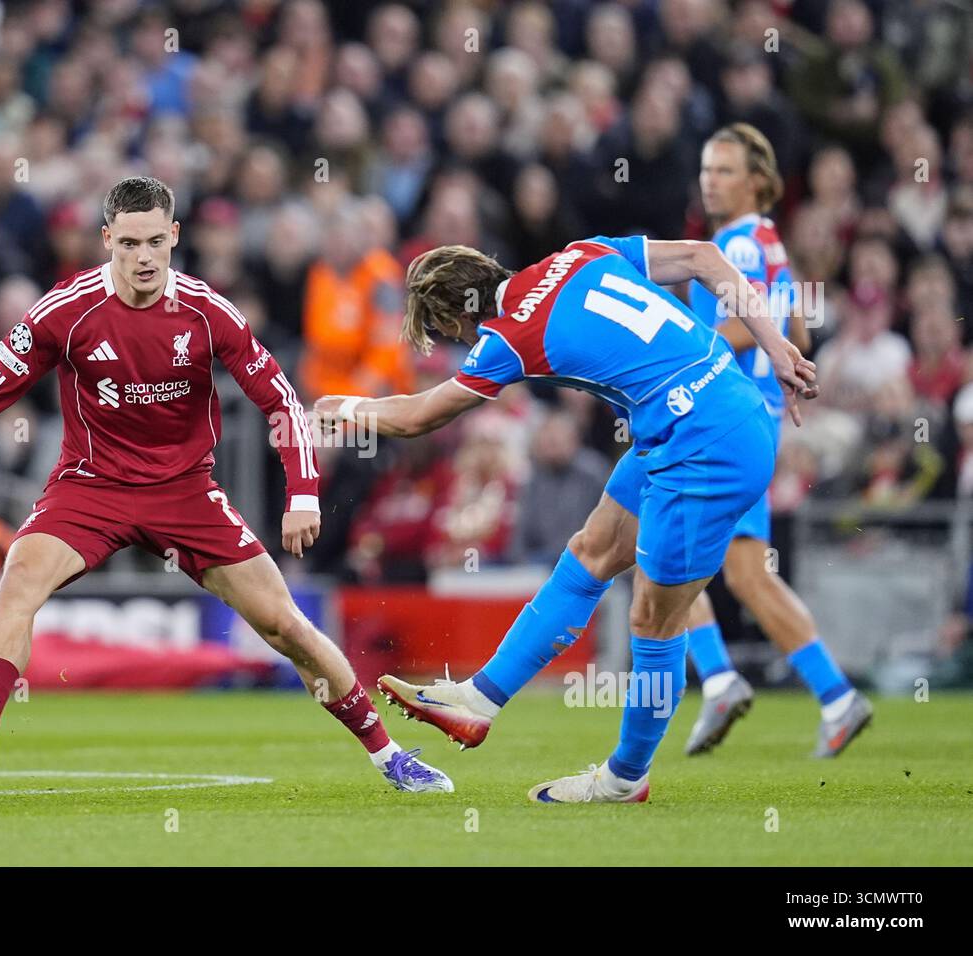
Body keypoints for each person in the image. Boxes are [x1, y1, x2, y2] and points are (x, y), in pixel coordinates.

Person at [0, 176, 451, 794]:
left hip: (185, 491)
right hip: (91, 486)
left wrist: (302, 491)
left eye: (156, 242)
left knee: (286, 627)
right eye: (130, 243)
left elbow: (280, 398)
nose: (143, 258)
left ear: (175, 238)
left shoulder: (207, 310)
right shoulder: (65, 310)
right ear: (107, 239)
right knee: (20, 579)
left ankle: (391, 756)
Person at [315, 233, 816, 803]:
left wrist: (345, 407)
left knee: (655, 621)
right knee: (592, 550)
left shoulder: (509, 336)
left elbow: (418, 416)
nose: (463, 341)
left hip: (705, 446)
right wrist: (774, 346)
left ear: (458, 315)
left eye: (452, 332)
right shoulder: (580, 253)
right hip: (705, 412)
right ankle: (478, 702)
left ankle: (626, 778)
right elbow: (703, 256)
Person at [673, 123, 870, 757]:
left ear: (757, 180)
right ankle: (837, 696)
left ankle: (722, 679)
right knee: (748, 575)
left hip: (714, 419)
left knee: (651, 546)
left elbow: (736, 329)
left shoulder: (735, 244)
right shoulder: (769, 244)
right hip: (752, 424)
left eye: (724, 170)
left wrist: (671, 355)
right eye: (706, 169)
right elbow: (798, 337)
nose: (710, 180)